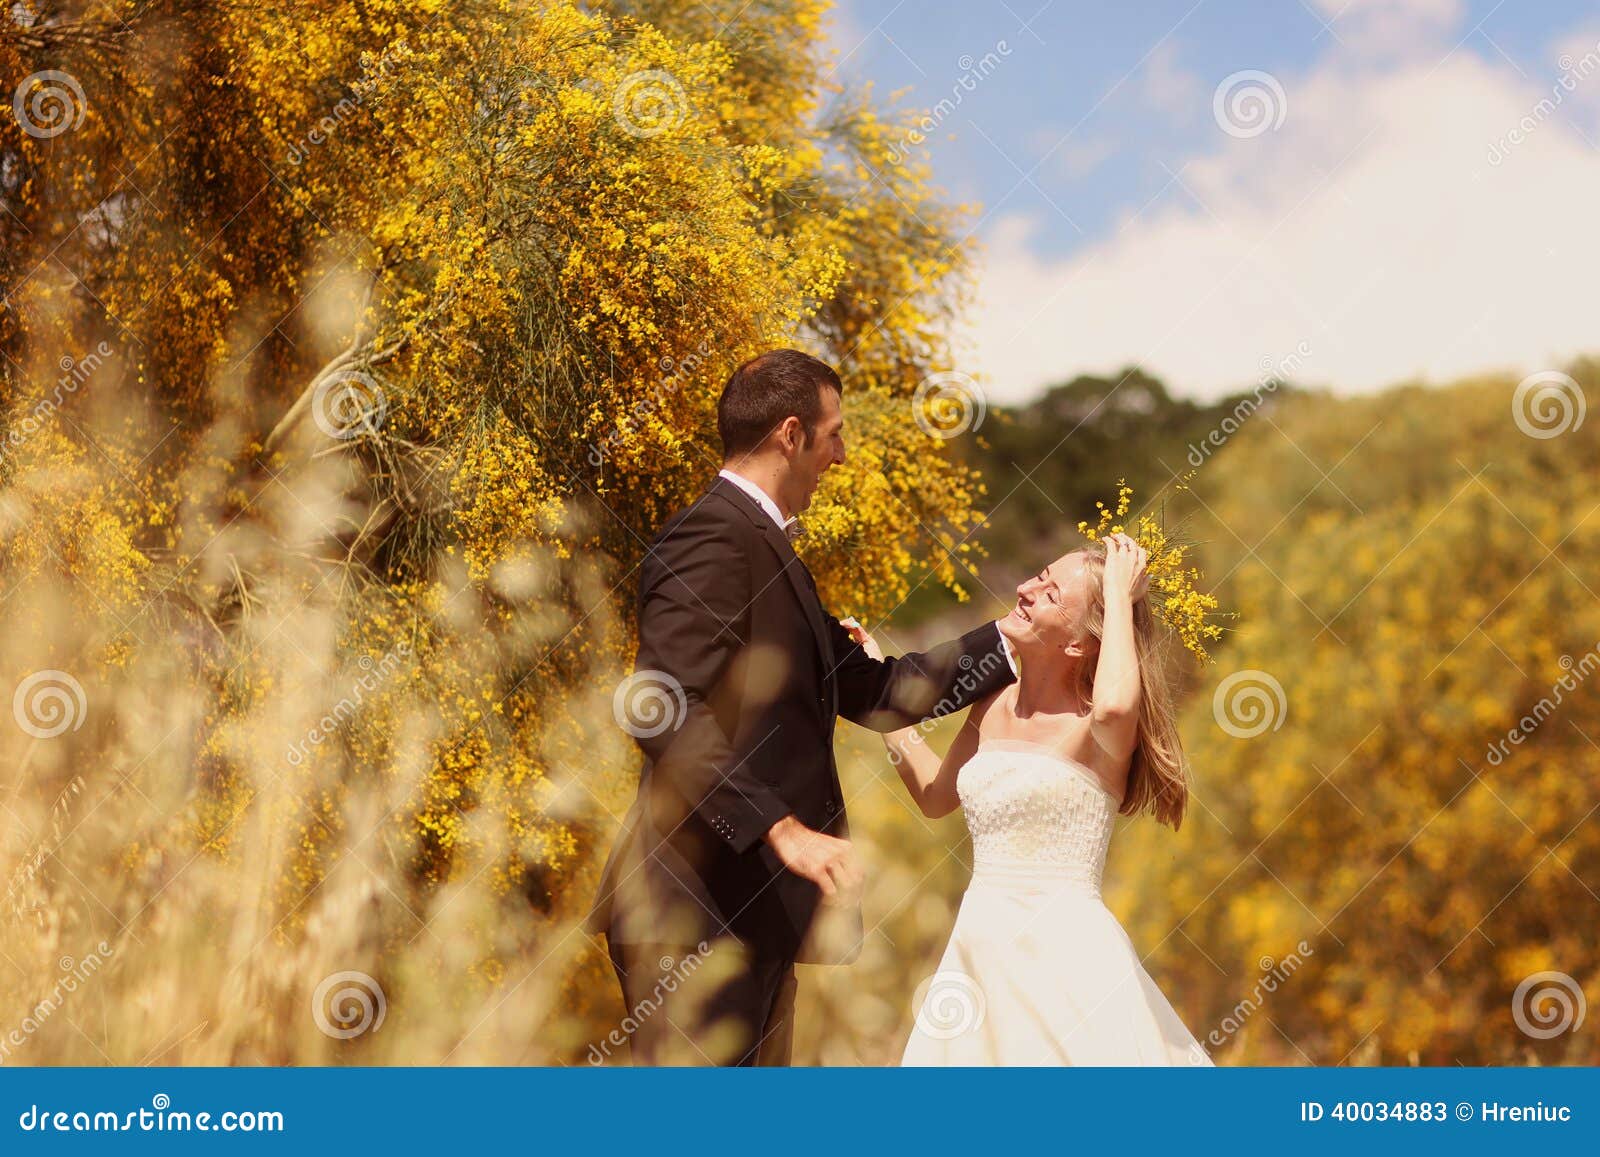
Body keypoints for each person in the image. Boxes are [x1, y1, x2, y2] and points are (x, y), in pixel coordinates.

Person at [586, 349, 1016, 1065]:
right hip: (689, 919)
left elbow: (877, 691)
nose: (840, 456)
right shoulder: (714, 536)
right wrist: (782, 830)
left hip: (747, 918)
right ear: (791, 434)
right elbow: (658, 705)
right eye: (834, 434)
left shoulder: (765, 547)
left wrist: (1011, 641)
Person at [858, 533, 1213, 1065]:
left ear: (1079, 644)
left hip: (1068, 962)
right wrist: (881, 705)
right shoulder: (992, 703)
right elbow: (935, 796)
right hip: (978, 957)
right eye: (1039, 576)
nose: (1025, 589)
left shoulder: (1100, 729)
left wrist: (1119, 595)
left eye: (1051, 595)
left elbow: (1117, 707)